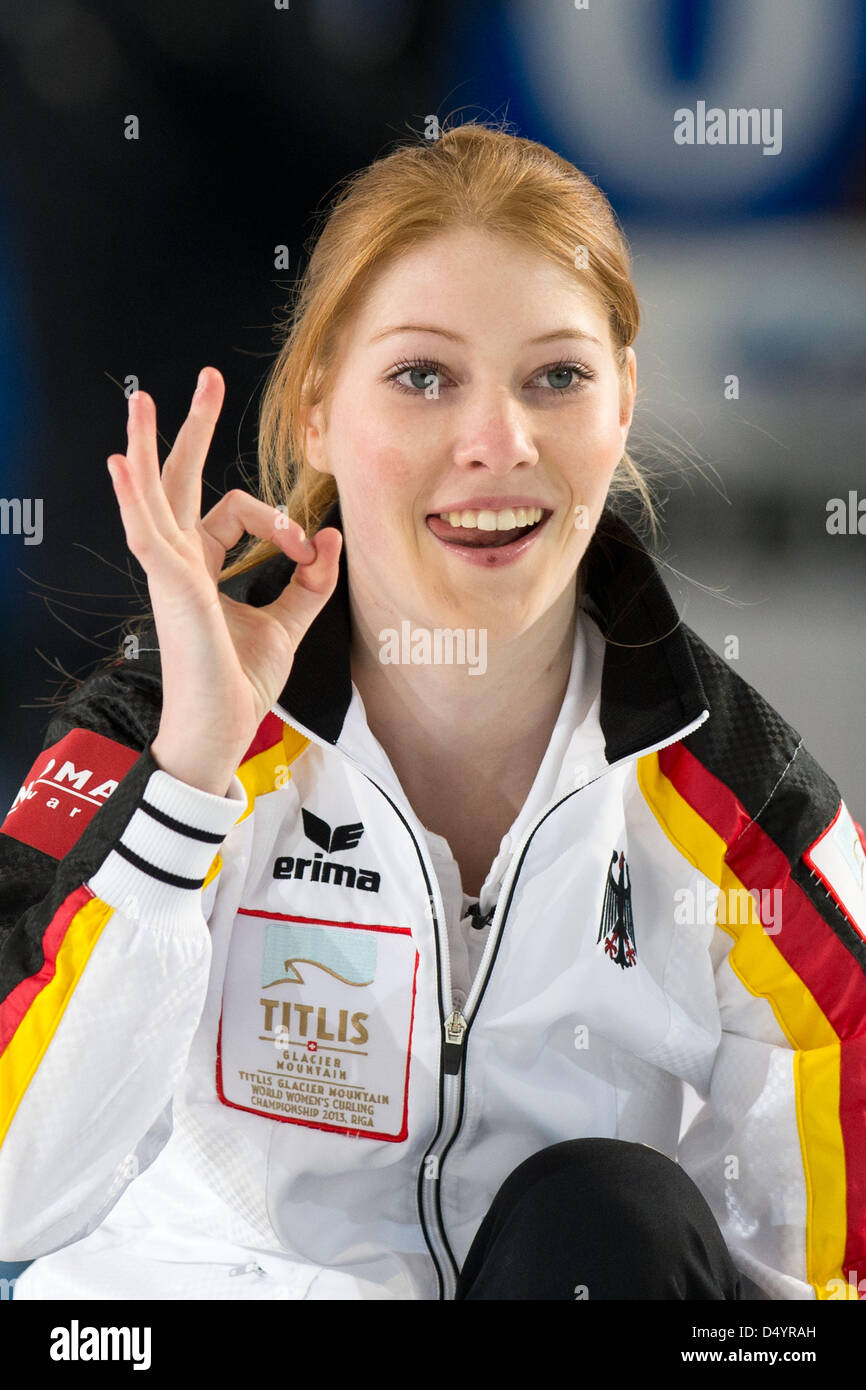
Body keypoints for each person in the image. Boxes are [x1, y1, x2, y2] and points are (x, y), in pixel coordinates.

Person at [1, 121, 864, 1302]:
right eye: (422, 377)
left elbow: (823, 1283)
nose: (497, 443)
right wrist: (189, 780)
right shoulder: (156, 732)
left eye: (556, 376)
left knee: (614, 1220)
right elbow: (14, 1195)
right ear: (316, 408)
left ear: (622, 403)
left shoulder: (741, 801)